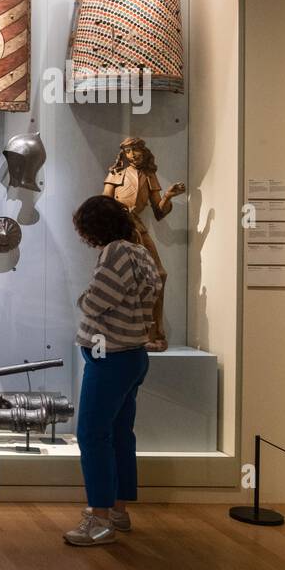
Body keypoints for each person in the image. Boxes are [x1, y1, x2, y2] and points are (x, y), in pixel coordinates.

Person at [64, 194, 162, 547]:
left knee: (91, 435)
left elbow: (94, 302)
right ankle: (118, 510)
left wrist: (84, 299)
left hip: (110, 357)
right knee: (120, 434)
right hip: (132, 354)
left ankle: (100, 518)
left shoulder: (115, 252)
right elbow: (151, 293)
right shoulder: (140, 252)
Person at [102, 136, 184, 351]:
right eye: (128, 151)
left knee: (159, 275)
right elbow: (103, 203)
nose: (133, 155)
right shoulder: (116, 173)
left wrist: (168, 195)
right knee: (120, 279)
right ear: (124, 154)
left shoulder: (149, 175)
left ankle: (154, 332)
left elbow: (159, 212)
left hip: (138, 226)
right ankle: (119, 331)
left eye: (136, 150)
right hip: (120, 228)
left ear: (143, 151)